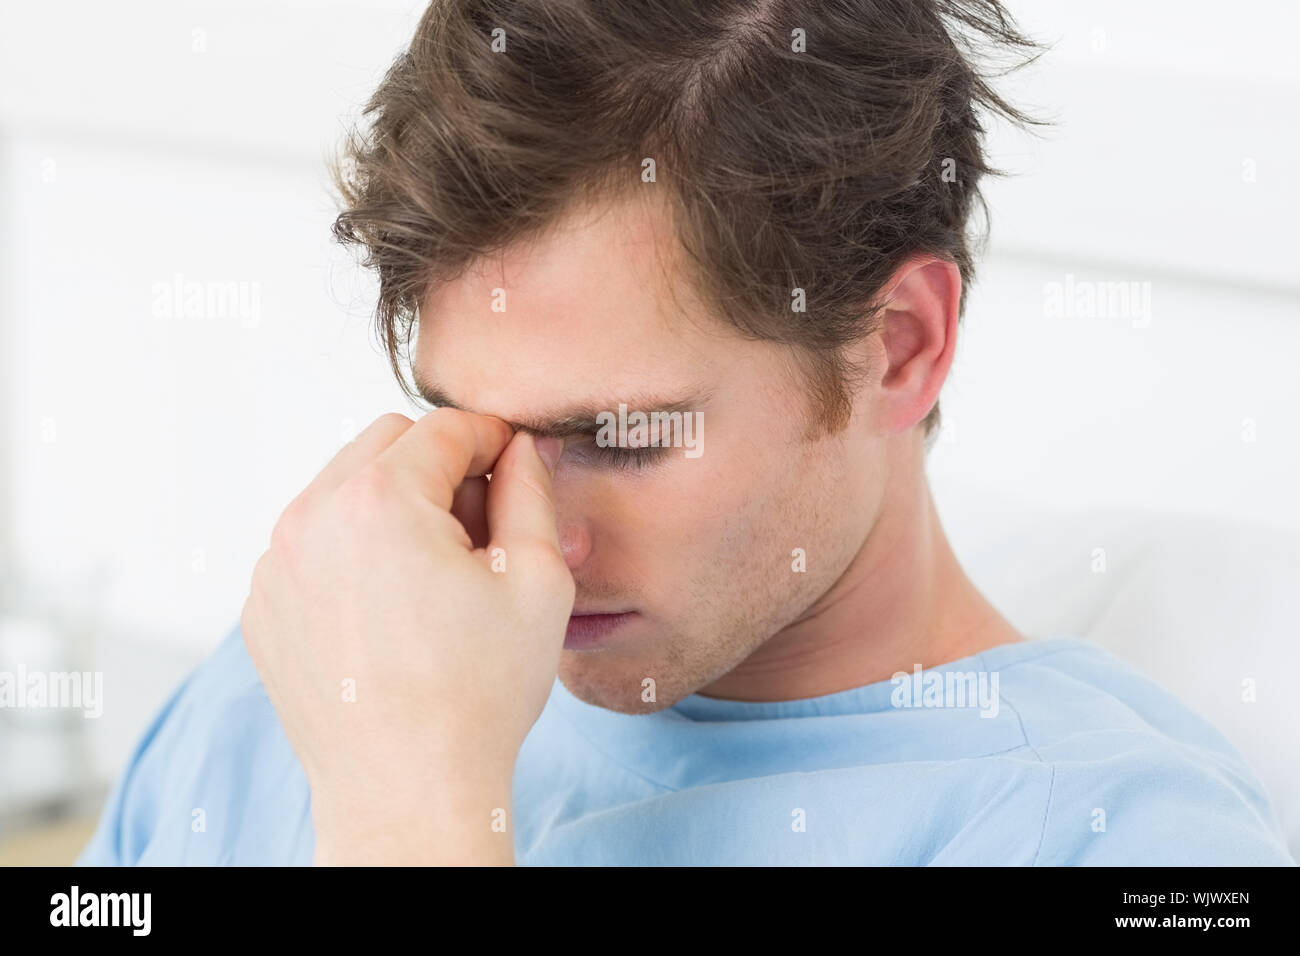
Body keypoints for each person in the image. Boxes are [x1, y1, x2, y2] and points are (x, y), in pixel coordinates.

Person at [79, 0, 1294, 865]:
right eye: (470, 427)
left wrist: (413, 816)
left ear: (902, 346)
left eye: (620, 435)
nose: (528, 549)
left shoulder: (1112, 840)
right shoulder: (334, 644)